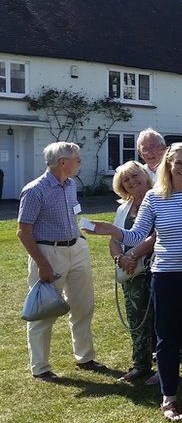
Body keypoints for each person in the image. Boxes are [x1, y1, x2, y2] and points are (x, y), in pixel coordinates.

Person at [91, 143, 182, 420]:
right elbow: (138, 236)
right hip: (165, 276)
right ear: (169, 166)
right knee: (167, 338)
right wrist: (113, 231)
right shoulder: (154, 197)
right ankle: (169, 398)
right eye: (179, 163)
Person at [17, 142, 104, 382]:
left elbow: (71, 214)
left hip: (75, 249)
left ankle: (85, 357)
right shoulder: (35, 190)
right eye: (77, 159)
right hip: (48, 253)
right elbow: (23, 231)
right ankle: (40, 367)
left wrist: (80, 238)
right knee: (44, 310)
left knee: (83, 305)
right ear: (63, 162)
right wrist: (42, 264)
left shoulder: (71, 185)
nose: (80, 163)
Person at [108, 161, 158, 385]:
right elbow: (114, 238)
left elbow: (156, 235)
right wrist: (120, 258)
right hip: (130, 272)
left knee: (160, 320)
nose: (132, 181)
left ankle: (165, 367)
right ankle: (141, 365)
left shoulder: (159, 199)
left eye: (135, 176)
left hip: (154, 269)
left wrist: (133, 255)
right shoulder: (123, 208)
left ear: (146, 176)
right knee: (136, 320)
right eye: (126, 179)